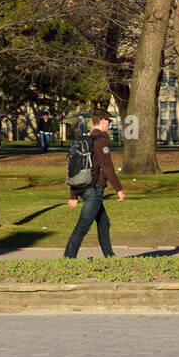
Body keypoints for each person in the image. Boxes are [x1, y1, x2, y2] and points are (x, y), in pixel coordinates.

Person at [64, 109, 124, 259]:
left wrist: (73, 195)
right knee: (83, 226)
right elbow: (108, 167)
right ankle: (68, 258)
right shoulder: (101, 140)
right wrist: (119, 190)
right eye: (109, 121)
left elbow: (75, 168)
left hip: (84, 188)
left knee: (104, 223)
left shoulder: (88, 139)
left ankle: (110, 256)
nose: (109, 124)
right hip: (94, 190)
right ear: (102, 120)